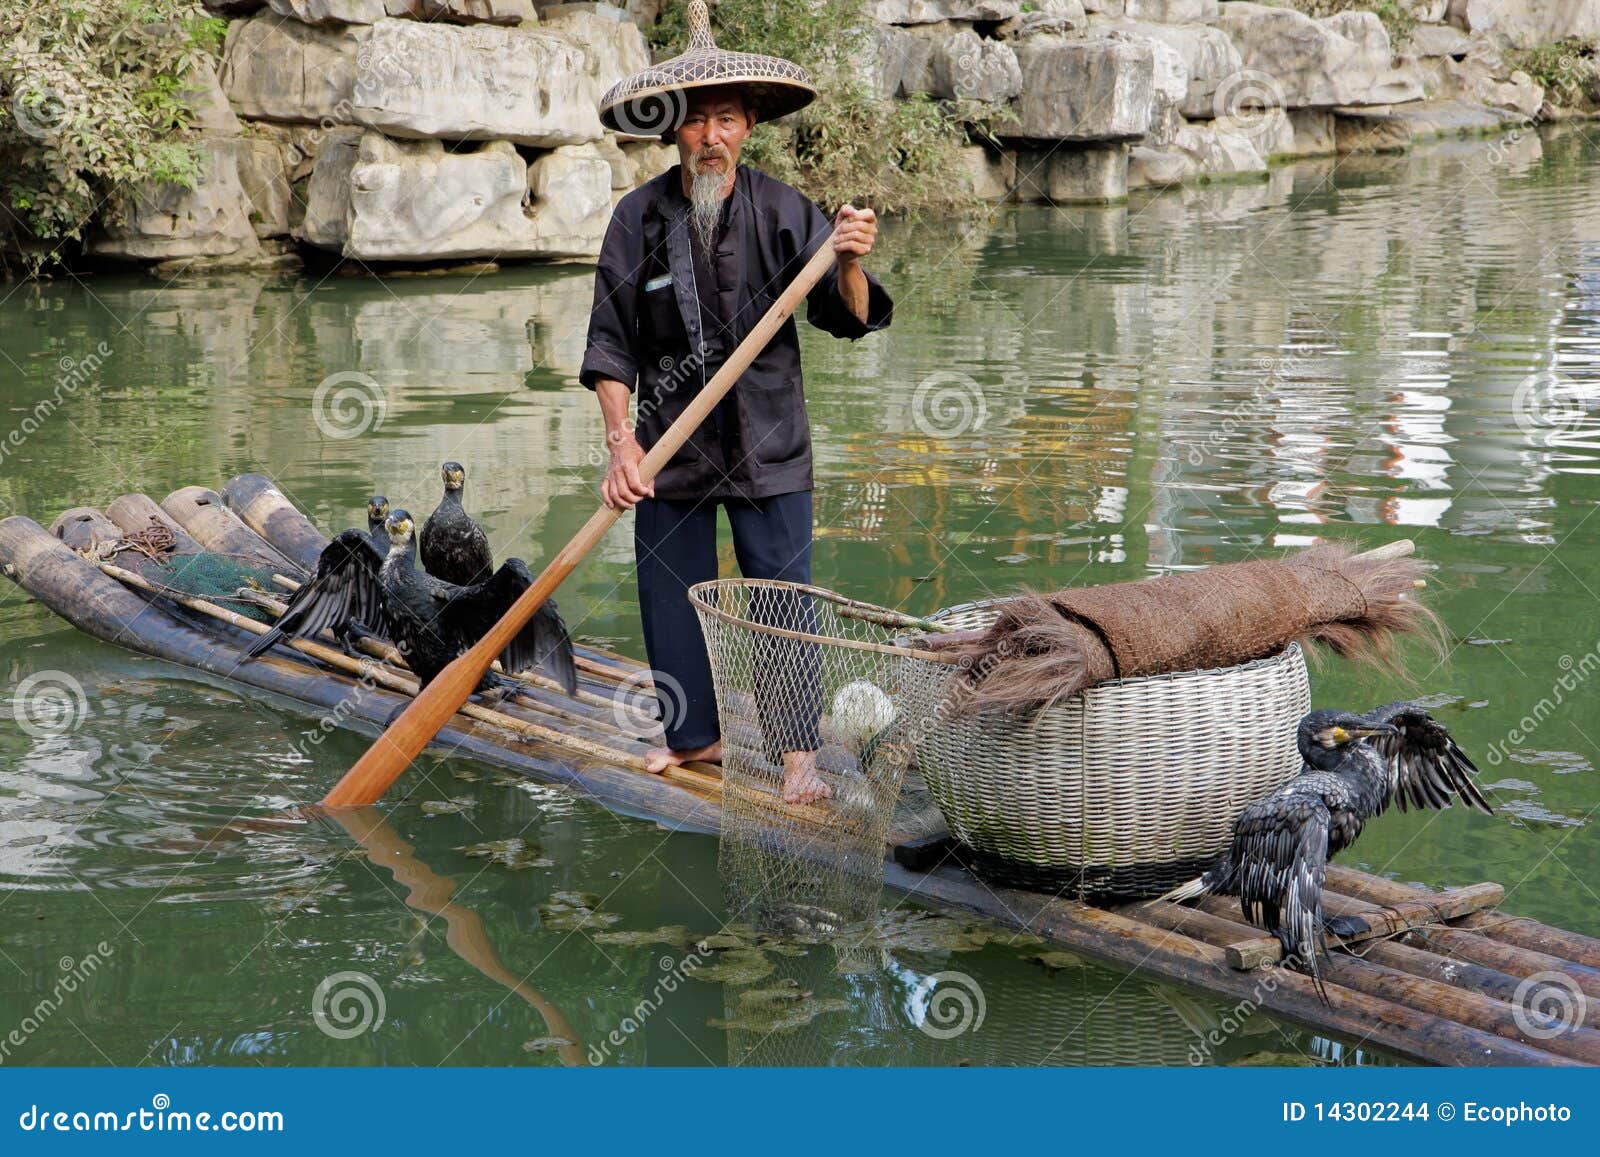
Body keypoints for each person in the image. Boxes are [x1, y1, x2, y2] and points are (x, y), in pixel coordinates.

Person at [581, 0, 893, 804]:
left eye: (726, 119)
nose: (710, 137)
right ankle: (695, 738)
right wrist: (621, 442)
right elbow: (609, 343)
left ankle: (797, 755)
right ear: (671, 130)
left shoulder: (790, 212)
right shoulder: (635, 220)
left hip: (770, 442)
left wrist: (849, 258)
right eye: (695, 123)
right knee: (668, 592)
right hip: (669, 444)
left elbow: (848, 317)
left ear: (749, 124)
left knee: (783, 600)